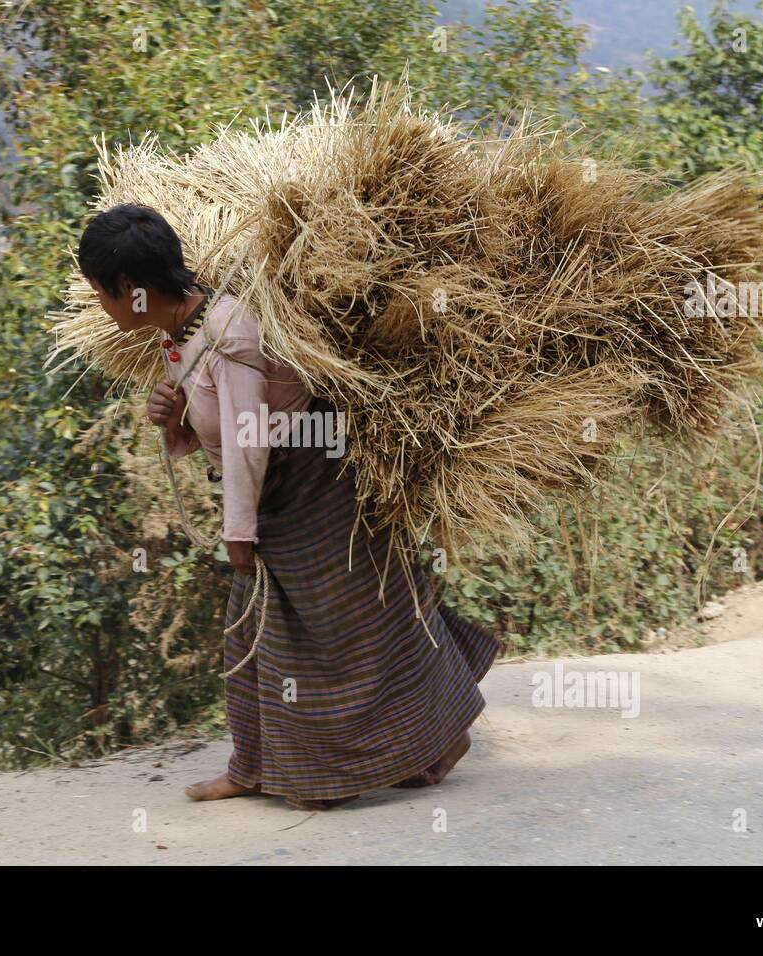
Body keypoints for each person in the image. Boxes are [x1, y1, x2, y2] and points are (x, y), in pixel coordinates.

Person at [77, 203, 500, 811]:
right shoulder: (186, 330)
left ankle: (414, 747)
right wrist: (179, 426)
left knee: (350, 623)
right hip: (283, 480)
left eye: (100, 292)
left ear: (128, 290)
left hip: (314, 483)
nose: (100, 306)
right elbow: (225, 429)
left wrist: (238, 530)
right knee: (260, 621)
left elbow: (249, 441)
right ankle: (257, 765)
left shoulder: (225, 335)